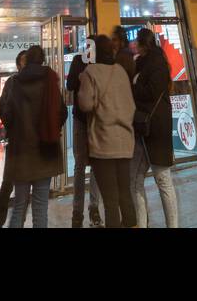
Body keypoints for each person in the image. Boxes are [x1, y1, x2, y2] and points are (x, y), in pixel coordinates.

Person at [0, 45, 65, 227]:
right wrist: (52, 128)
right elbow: (62, 112)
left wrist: (14, 130)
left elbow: (6, 113)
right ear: (43, 59)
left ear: (26, 61)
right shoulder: (50, 81)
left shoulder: (14, 82)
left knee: (19, 206)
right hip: (45, 151)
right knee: (40, 207)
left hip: (21, 152)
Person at [76, 35, 137, 227]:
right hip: (125, 142)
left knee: (110, 202)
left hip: (104, 145)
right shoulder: (121, 71)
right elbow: (131, 105)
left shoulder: (90, 71)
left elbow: (85, 105)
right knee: (126, 195)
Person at [130, 28, 180, 228]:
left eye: (137, 42)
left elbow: (151, 92)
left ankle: (173, 225)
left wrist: (133, 86)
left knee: (163, 179)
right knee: (134, 180)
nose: (134, 45)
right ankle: (142, 224)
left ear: (144, 44)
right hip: (142, 127)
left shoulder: (157, 63)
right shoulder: (140, 63)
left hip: (156, 127)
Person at [65, 36, 104, 227]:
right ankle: (83, 210)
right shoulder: (81, 61)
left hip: (90, 119)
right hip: (87, 120)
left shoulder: (91, 62)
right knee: (85, 166)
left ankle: (87, 210)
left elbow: (71, 85)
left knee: (89, 165)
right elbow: (70, 85)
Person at [0, 48, 27, 226]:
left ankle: (16, 222)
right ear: (18, 64)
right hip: (16, 142)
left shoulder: (32, 82)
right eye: (23, 60)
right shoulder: (12, 82)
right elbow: (3, 108)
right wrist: (12, 127)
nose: (26, 63)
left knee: (23, 189)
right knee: (8, 184)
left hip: (27, 144)